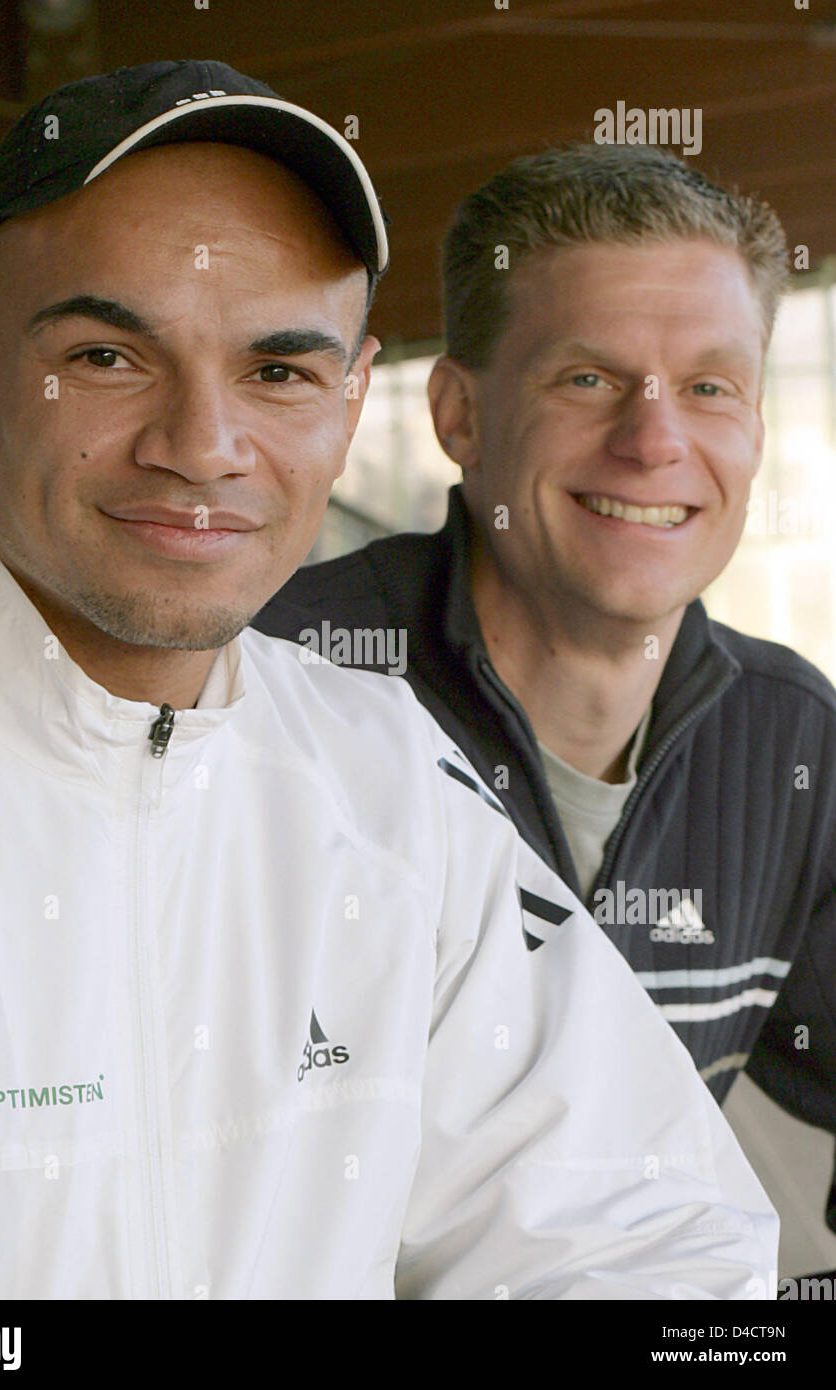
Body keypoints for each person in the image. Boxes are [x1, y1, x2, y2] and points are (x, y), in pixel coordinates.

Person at [0, 61, 777, 1301]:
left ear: (353, 402)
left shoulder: (383, 778)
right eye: (106, 356)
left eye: (280, 372)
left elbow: (648, 1236)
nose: (201, 445)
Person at [255, 144, 836, 1248]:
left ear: (756, 427)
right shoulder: (278, 685)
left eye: (710, 387)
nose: (655, 439)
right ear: (458, 416)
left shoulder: (790, 738)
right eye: (587, 379)